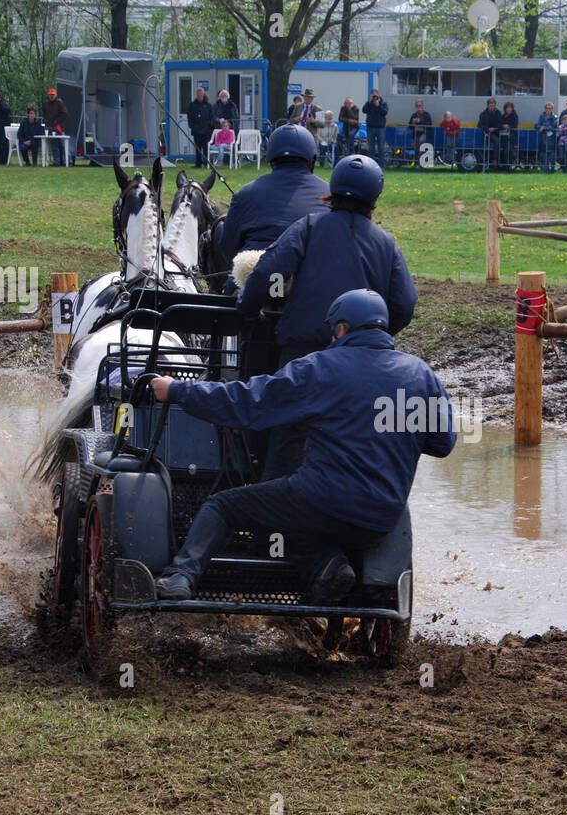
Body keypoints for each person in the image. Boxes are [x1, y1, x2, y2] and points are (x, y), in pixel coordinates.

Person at [147, 288, 455, 603]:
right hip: (380, 515)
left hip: (321, 501)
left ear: (341, 329)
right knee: (299, 520)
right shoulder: (420, 374)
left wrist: (178, 391)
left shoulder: (321, 367)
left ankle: (179, 576)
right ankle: (328, 567)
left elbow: (250, 404)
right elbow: (443, 442)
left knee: (223, 506)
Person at [238, 155, 417, 480]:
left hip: (302, 358)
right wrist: (375, 338)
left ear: (332, 190)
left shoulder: (307, 227)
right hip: (362, 364)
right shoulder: (386, 244)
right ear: (374, 198)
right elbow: (404, 305)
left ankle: (273, 523)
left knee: (288, 443)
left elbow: (266, 273)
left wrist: (247, 312)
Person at [219, 123, 330, 260]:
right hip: (314, 276)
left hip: (255, 277)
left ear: (271, 158)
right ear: (312, 160)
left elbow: (227, 248)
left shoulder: (245, 193)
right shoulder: (330, 194)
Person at [41, 88, 69, 166]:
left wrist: (57, 121)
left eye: (53, 94)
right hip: (50, 127)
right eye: (50, 94)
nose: (51, 96)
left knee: (62, 145)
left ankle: (64, 161)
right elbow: (44, 114)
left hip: (59, 127)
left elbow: (65, 114)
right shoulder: (45, 104)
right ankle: (57, 162)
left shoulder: (60, 103)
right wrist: (46, 122)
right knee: (54, 145)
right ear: (48, 95)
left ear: (55, 95)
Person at [188, 86, 214, 168]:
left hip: (206, 130)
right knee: (198, 147)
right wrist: (191, 125)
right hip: (196, 129)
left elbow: (211, 116)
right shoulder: (192, 104)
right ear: (196, 94)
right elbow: (189, 116)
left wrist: (209, 125)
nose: (200, 94)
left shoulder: (208, 105)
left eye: (201, 93)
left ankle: (206, 163)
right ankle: (198, 163)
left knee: (206, 147)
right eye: (198, 93)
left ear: (203, 94)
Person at [362, 88, 388, 165]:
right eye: (373, 96)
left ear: (378, 95)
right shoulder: (369, 104)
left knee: (381, 148)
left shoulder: (383, 103)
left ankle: (381, 165)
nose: (374, 98)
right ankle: (371, 165)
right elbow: (364, 110)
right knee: (371, 148)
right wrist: (369, 102)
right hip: (370, 128)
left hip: (380, 128)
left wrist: (378, 105)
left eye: (375, 95)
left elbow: (384, 112)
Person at [477, 98, 503, 168]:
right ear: (487, 105)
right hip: (486, 134)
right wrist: (488, 129)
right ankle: (495, 160)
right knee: (497, 141)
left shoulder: (498, 113)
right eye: (490, 105)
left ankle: (500, 162)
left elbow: (500, 124)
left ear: (495, 105)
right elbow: (479, 125)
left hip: (496, 133)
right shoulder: (483, 114)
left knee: (500, 141)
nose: (491, 106)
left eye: (493, 105)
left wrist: (494, 128)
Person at [407, 99, 433, 166]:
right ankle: (417, 161)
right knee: (416, 146)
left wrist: (420, 121)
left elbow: (429, 125)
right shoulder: (414, 115)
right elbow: (410, 126)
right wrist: (412, 123)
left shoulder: (426, 114)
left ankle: (422, 163)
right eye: (417, 106)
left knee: (421, 144)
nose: (418, 107)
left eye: (420, 105)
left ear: (423, 106)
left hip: (425, 133)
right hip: (416, 133)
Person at [535, 101, 557, 173]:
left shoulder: (554, 117)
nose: (548, 110)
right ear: (545, 109)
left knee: (552, 154)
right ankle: (546, 169)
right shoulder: (541, 116)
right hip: (543, 138)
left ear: (552, 109)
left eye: (550, 108)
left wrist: (543, 127)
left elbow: (553, 126)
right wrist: (540, 127)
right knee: (544, 154)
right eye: (547, 108)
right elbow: (537, 125)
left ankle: (553, 169)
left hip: (552, 139)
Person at [498, 101, 519, 169]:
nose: (509, 109)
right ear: (505, 109)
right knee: (503, 150)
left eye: (510, 108)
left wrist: (507, 126)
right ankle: (503, 165)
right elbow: (499, 124)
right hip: (503, 136)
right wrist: (503, 125)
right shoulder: (503, 116)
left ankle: (507, 166)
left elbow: (514, 125)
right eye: (507, 108)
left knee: (508, 150)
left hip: (511, 137)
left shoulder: (515, 116)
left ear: (512, 109)